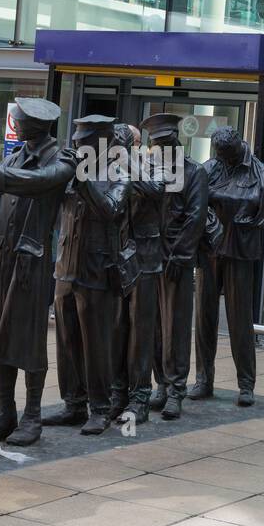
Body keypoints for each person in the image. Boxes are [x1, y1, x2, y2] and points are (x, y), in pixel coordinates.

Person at [0, 98, 76, 445]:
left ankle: (33, 416)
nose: (15, 122)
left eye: (19, 119)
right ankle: (5, 411)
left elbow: (34, 182)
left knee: (29, 341)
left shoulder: (61, 160)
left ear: (36, 125)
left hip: (31, 264)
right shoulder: (11, 158)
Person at [46, 115, 128, 435]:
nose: (78, 145)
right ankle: (73, 404)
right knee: (66, 340)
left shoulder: (119, 174)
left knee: (96, 342)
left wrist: (83, 181)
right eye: (77, 140)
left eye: (85, 141)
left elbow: (110, 210)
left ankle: (100, 407)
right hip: (66, 267)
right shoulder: (69, 173)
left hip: (97, 270)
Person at [192, 125, 264, 406]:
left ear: (238, 147)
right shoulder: (210, 167)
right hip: (210, 251)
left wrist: (224, 205)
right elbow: (196, 203)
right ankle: (203, 379)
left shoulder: (260, 172)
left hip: (239, 252)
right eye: (219, 154)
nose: (222, 159)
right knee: (204, 318)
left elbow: (261, 215)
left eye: (227, 154)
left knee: (240, 321)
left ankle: (246, 384)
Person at [142, 113, 207, 419]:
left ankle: (176, 389)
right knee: (152, 325)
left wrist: (180, 257)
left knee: (175, 327)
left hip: (175, 260)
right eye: (155, 145)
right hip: (149, 258)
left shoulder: (194, 172)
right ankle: (161, 385)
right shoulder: (147, 170)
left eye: (164, 144)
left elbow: (195, 217)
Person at [109, 123, 165, 425]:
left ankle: (140, 396)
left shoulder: (153, 164)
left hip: (145, 257)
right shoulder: (106, 166)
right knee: (117, 329)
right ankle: (118, 393)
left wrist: (129, 166)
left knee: (141, 330)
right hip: (117, 256)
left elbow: (157, 191)